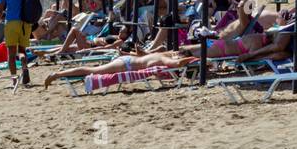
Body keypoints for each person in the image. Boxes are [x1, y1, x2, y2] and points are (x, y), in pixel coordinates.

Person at [43, 51, 197, 87]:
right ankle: (57, 74)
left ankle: (58, 74)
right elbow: (177, 64)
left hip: (126, 62)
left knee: (93, 70)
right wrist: (194, 59)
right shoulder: (165, 58)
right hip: (125, 64)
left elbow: (142, 56)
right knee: (92, 71)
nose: (176, 58)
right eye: (178, 56)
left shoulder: (160, 54)